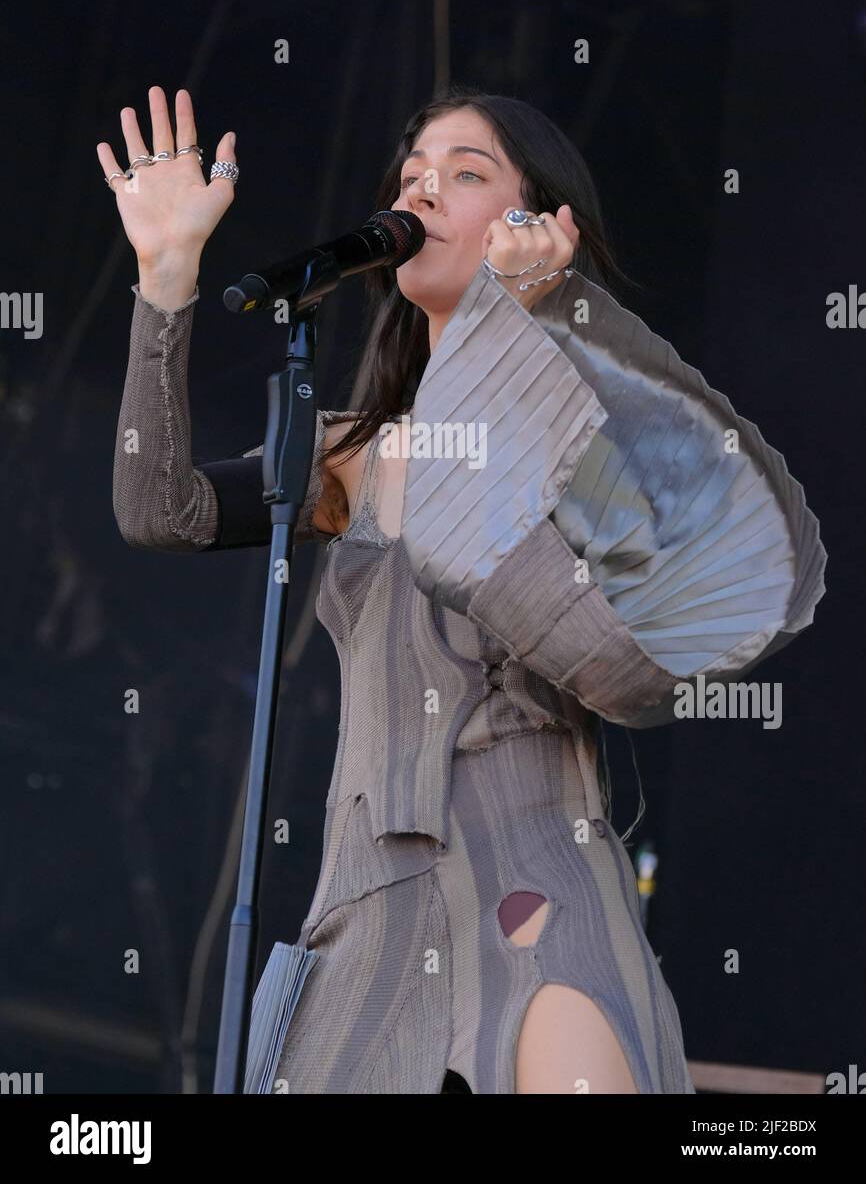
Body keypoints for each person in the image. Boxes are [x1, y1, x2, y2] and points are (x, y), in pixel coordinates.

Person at [100, 84, 826, 1094]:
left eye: (466, 173)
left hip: (535, 876)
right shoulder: (351, 450)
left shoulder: (588, 438)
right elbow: (156, 505)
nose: (424, 190)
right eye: (410, 177)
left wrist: (561, 312)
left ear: (539, 224)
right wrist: (166, 275)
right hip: (367, 909)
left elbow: (686, 599)